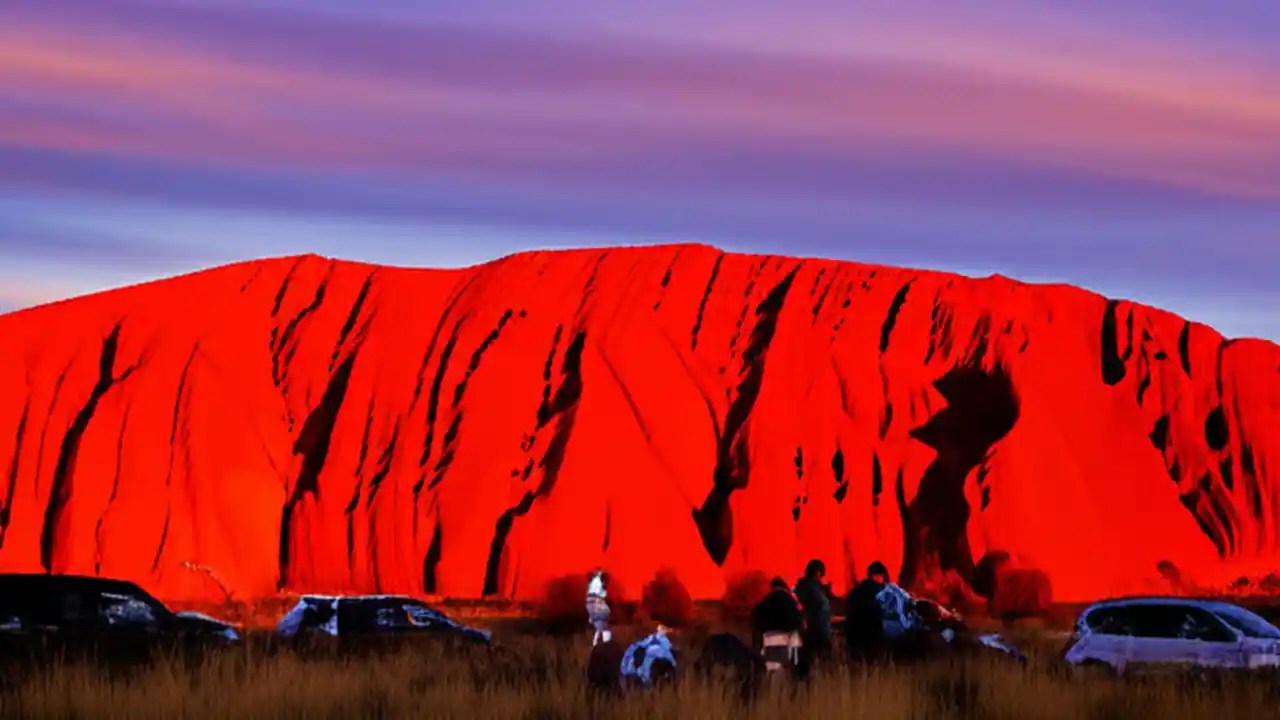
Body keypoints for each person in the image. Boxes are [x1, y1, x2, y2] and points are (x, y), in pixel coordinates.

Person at [750, 577, 805, 674]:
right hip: (789, 640)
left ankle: (773, 687)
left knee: (772, 670)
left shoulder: (764, 602)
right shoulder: (791, 601)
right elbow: (799, 620)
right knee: (789, 669)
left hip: (769, 640)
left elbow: (756, 622)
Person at [793, 559, 833, 670]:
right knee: (823, 666)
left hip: (802, 634)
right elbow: (821, 611)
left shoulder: (799, 588)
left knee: (804, 667)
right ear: (818, 574)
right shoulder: (815, 590)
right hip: (818, 633)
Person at [844, 561, 889, 661]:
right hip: (872, 635)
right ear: (879, 576)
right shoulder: (881, 592)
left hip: (854, 635)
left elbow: (848, 606)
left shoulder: (856, 590)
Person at [586, 569, 612, 646]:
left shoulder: (594, 580)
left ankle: (596, 645)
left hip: (590, 602)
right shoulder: (600, 580)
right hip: (596, 601)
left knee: (599, 627)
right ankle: (606, 646)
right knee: (605, 628)